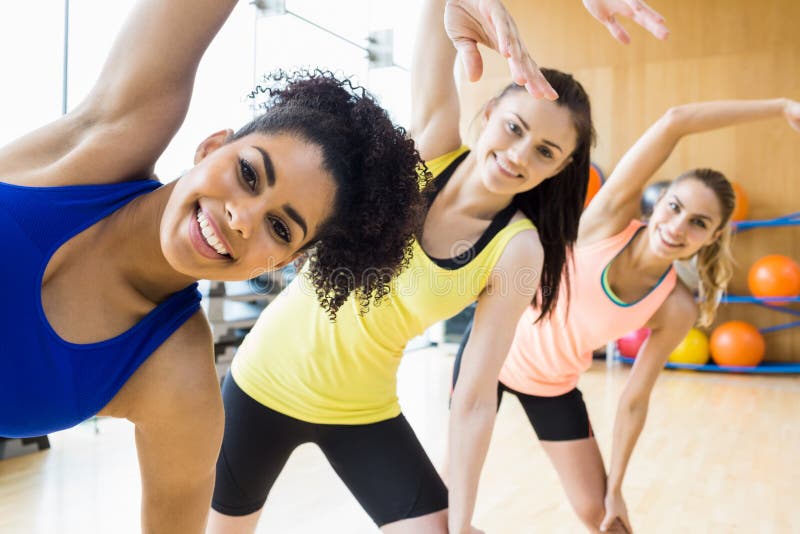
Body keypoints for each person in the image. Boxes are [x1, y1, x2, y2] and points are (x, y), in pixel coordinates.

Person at [0, 1, 427, 531]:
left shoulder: (179, 386)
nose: (242, 218)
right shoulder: (108, 137)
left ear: (286, 261)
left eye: (280, 228)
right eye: (249, 173)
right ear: (210, 147)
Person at [206, 0, 603, 530]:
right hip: (261, 382)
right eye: (514, 128)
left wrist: (462, 520)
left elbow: (477, 398)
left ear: (561, 167)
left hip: (362, 411)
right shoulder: (433, 146)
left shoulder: (517, 249)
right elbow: (434, 19)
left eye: (545, 152)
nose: (520, 155)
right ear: (487, 115)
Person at [453, 96, 800, 533]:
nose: (677, 227)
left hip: (552, 386)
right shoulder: (608, 219)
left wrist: (615, 487)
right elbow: (675, 117)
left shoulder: (675, 308)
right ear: (658, 203)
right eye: (674, 207)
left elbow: (634, 400)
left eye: (698, 223)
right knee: (449, 505)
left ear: (713, 237)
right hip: (490, 358)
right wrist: (779, 107)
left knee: (606, 520)